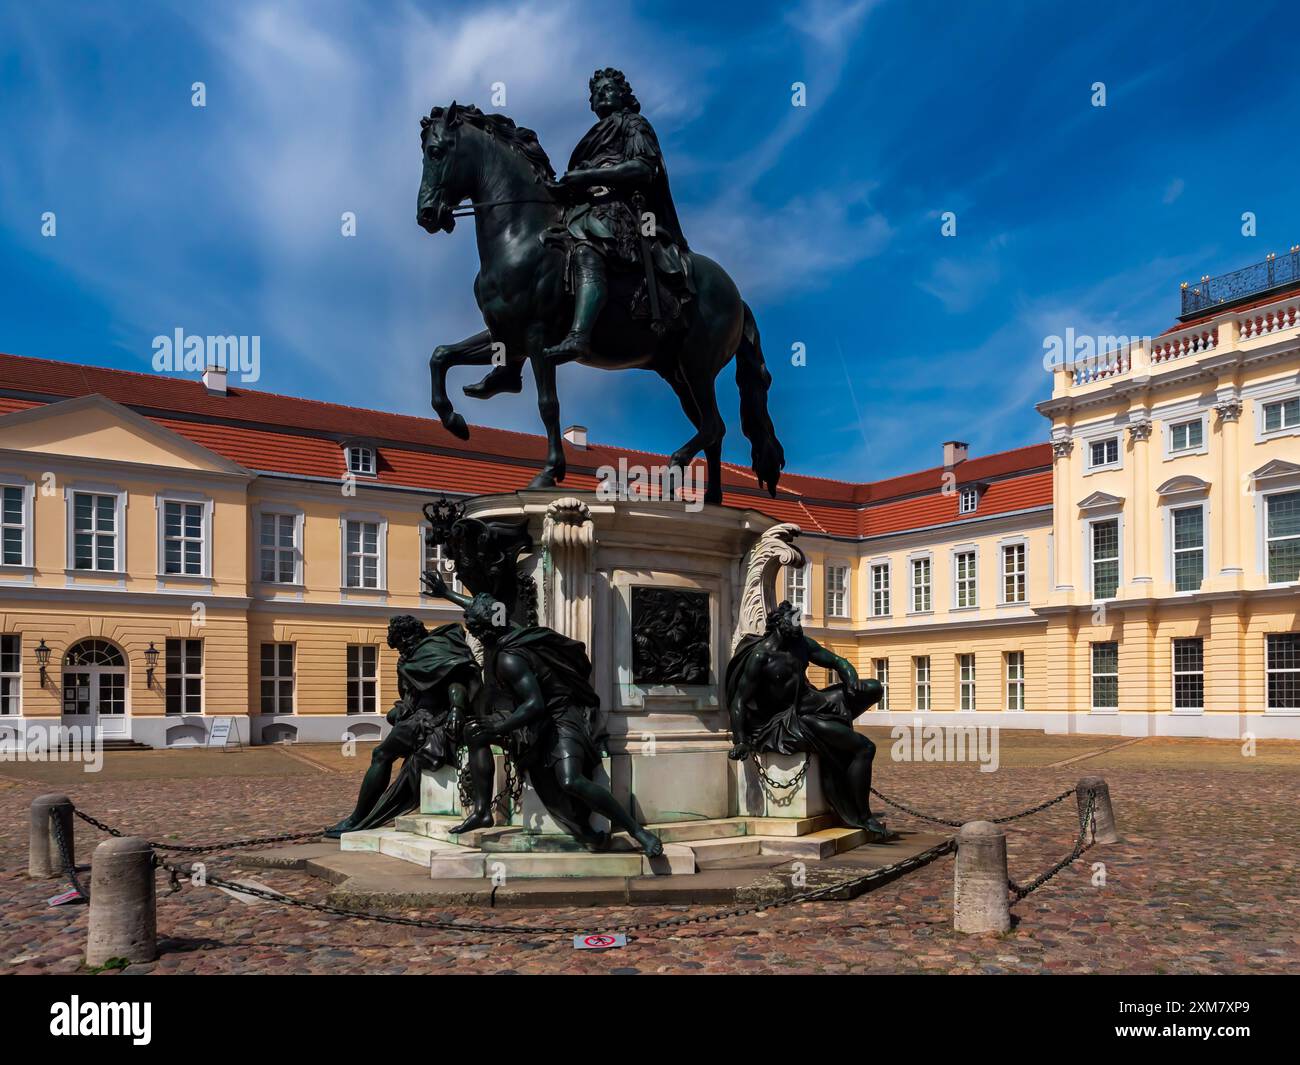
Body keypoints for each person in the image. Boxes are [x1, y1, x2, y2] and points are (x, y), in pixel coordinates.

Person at [424, 572, 664, 857]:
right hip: (537, 716)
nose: (473, 633)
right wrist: (448, 593)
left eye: (474, 629)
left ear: (483, 632)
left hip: (561, 716)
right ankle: (481, 811)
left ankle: (638, 831)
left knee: (569, 780)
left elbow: (534, 704)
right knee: (474, 732)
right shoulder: (508, 629)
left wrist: (497, 729)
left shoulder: (508, 658)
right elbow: (481, 610)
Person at [542, 66, 691, 363]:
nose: (599, 96)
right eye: (594, 94)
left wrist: (587, 177)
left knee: (587, 249)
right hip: (586, 209)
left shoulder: (633, 124)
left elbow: (643, 169)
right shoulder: (593, 136)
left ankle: (579, 337)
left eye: (606, 89)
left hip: (622, 212)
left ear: (624, 95)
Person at [726, 601, 890, 839]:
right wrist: (740, 740)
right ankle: (863, 816)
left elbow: (837, 661)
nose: (798, 625)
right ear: (779, 624)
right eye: (794, 620)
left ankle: (837, 728)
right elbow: (739, 700)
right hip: (790, 719)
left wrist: (850, 677)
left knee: (872, 688)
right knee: (864, 748)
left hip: (812, 701)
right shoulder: (762, 656)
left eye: (799, 620)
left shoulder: (800, 645)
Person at [325, 614, 485, 838]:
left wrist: (457, 708)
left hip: (432, 719)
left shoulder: (432, 650)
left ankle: (358, 818)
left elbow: (455, 682)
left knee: (381, 754)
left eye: (400, 644)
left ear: (409, 636)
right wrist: (400, 709)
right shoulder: (410, 659)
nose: (400, 650)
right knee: (383, 755)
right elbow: (412, 695)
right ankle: (361, 817)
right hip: (418, 715)